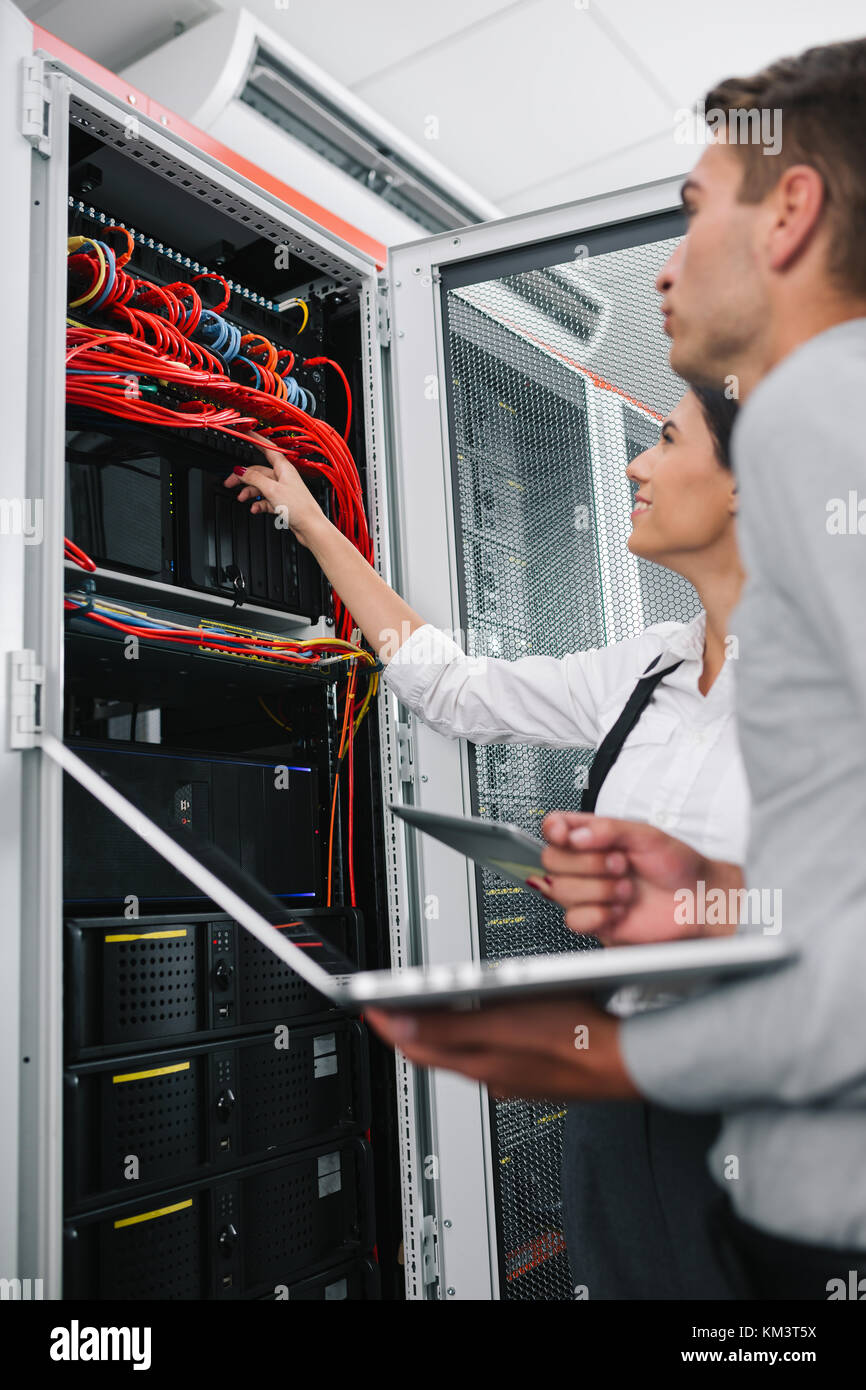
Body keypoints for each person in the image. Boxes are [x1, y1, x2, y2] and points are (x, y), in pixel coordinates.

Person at [367, 37, 866, 1300]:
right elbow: (459, 687)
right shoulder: (650, 667)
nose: (663, 264)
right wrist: (703, 906)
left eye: (696, 210)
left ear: (790, 214)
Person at [225, 384, 744, 1298]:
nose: (634, 463)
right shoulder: (648, 666)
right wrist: (310, 524)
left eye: (665, 440)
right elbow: (454, 687)